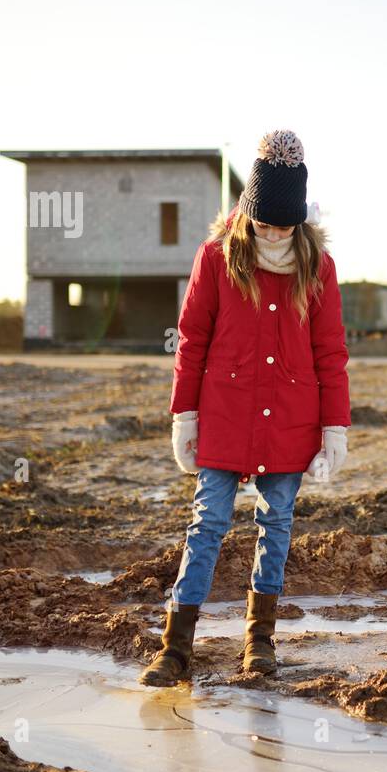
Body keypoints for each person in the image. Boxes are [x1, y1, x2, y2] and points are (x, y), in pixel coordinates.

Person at [139, 130, 351, 686]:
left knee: (276, 523)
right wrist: (185, 417)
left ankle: (259, 642)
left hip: (290, 421)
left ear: (299, 219)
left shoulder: (318, 267)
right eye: (264, 224)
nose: (274, 235)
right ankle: (175, 647)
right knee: (208, 522)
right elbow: (192, 340)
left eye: (285, 226)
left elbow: (331, 352)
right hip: (226, 416)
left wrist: (335, 431)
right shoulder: (216, 258)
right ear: (249, 211)